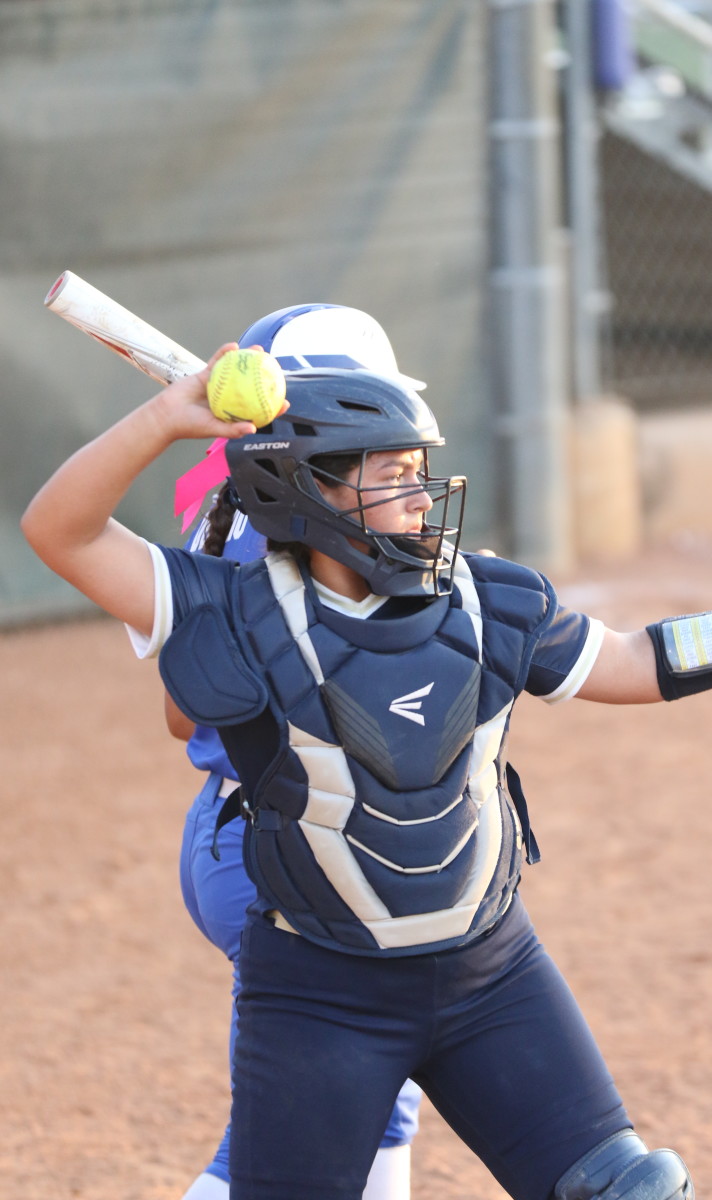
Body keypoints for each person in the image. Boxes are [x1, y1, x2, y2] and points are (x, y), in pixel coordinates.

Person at [21, 331, 712, 1200]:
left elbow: (639, 661)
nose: (422, 498)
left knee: (631, 1190)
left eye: (418, 470)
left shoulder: (489, 599)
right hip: (320, 999)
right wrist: (167, 417)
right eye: (391, 476)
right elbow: (59, 530)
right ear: (308, 486)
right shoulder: (227, 611)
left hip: (493, 977)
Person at [173, 304, 427, 1200]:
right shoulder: (331, 533)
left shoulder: (215, 513)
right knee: (293, 1124)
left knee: (378, 1088)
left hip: (230, 831)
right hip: (284, 846)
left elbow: (180, 715)